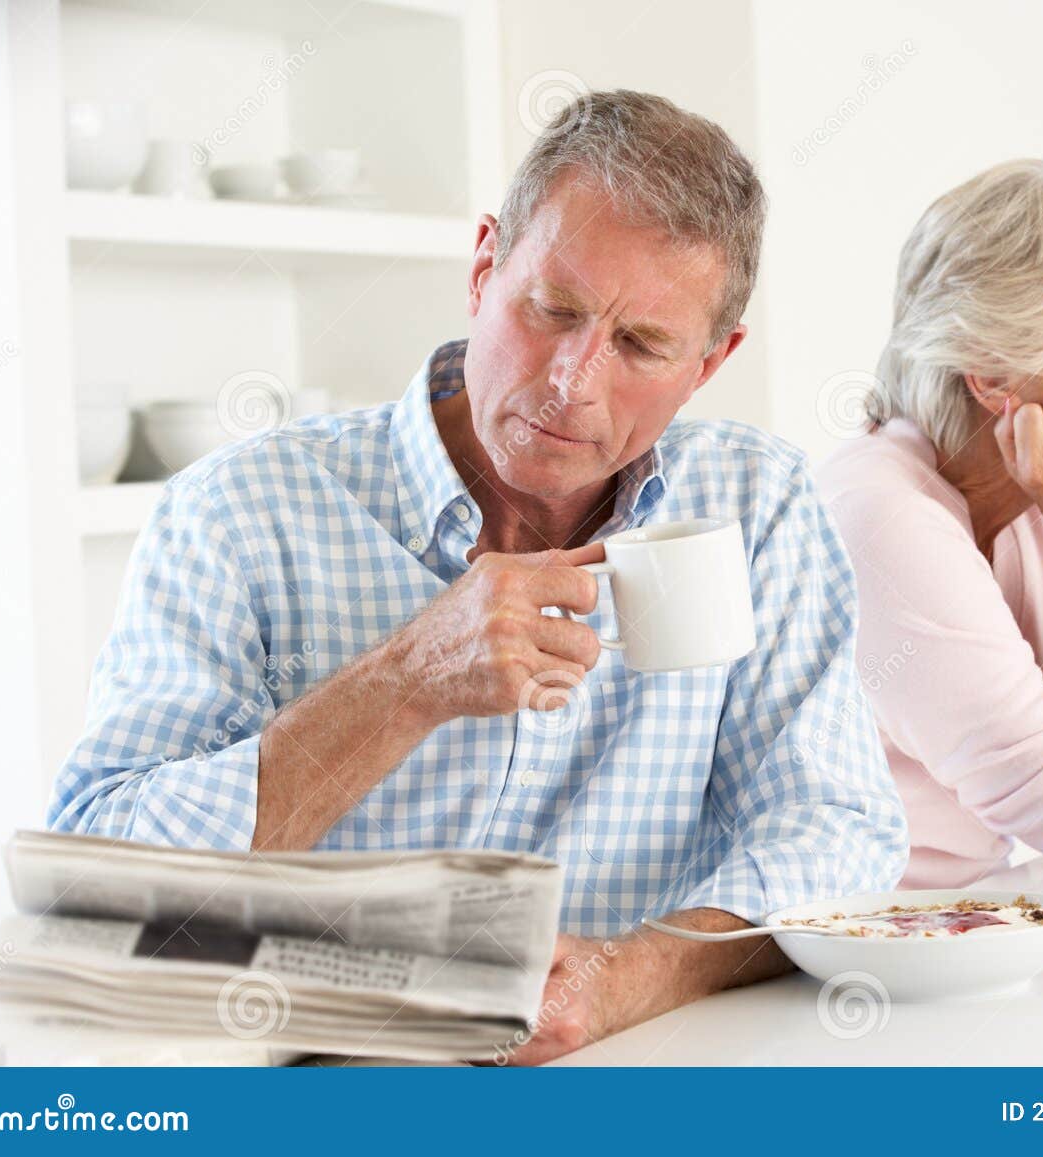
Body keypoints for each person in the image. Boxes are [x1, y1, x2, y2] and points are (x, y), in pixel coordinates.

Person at [49, 90, 908, 1064]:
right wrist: (405, 680)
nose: (573, 381)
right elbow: (99, 899)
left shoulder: (754, 501)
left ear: (710, 362)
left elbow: (837, 831)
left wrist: (630, 977)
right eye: (553, 309)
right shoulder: (237, 513)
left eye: (641, 345)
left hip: (643, 1057)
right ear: (484, 266)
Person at [816, 160, 1043, 887]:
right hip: (845, 967)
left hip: (954, 943)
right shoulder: (883, 519)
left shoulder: (1042, 502)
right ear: (993, 374)